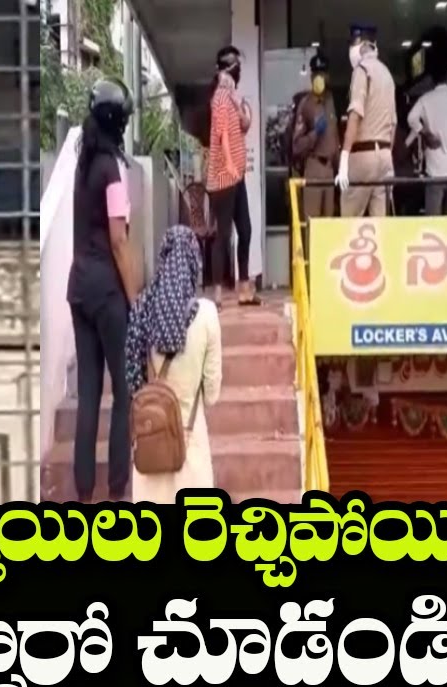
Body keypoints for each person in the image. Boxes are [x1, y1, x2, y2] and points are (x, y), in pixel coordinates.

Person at [67, 79, 139, 503]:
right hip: (108, 292)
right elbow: (118, 239)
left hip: (78, 289)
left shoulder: (84, 162)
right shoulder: (111, 168)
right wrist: (134, 297)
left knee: (90, 394)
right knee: (125, 393)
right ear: (118, 122)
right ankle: (116, 492)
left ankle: (82, 493)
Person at [125, 226, 222, 503]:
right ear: (194, 264)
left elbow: (133, 385)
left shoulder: (142, 309)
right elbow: (213, 395)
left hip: (149, 452)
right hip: (192, 455)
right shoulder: (206, 315)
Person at [205, 46, 258, 307]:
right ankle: (216, 295)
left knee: (245, 230)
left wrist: (243, 110)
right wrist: (228, 163)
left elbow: (242, 128)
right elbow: (223, 135)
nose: (239, 69)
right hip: (223, 178)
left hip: (236, 177)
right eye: (236, 64)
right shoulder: (220, 97)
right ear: (229, 68)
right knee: (223, 236)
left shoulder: (231, 97)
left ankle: (244, 288)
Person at [336, 25, 397, 217]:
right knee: (380, 227)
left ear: (361, 45)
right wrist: (388, 158)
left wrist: (344, 160)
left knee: (350, 223)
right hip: (385, 157)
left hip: (363, 156)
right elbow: (393, 124)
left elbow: (355, 115)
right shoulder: (387, 74)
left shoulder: (362, 71)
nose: (350, 51)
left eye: (352, 45)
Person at [408, 62, 447, 216]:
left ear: (431, 80)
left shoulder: (426, 99)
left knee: (433, 221)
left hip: (434, 171)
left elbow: (411, 118)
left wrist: (425, 133)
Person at [290, 53, 341, 218]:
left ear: (328, 76)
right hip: (314, 166)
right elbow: (296, 146)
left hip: (330, 170)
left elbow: (336, 138)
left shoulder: (332, 102)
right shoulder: (305, 104)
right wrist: (314, 134)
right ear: (311, 76)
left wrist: (341, 168)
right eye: (316, 74)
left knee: (328, 224)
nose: (320, 77)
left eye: (323, 73)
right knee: (312, 222)